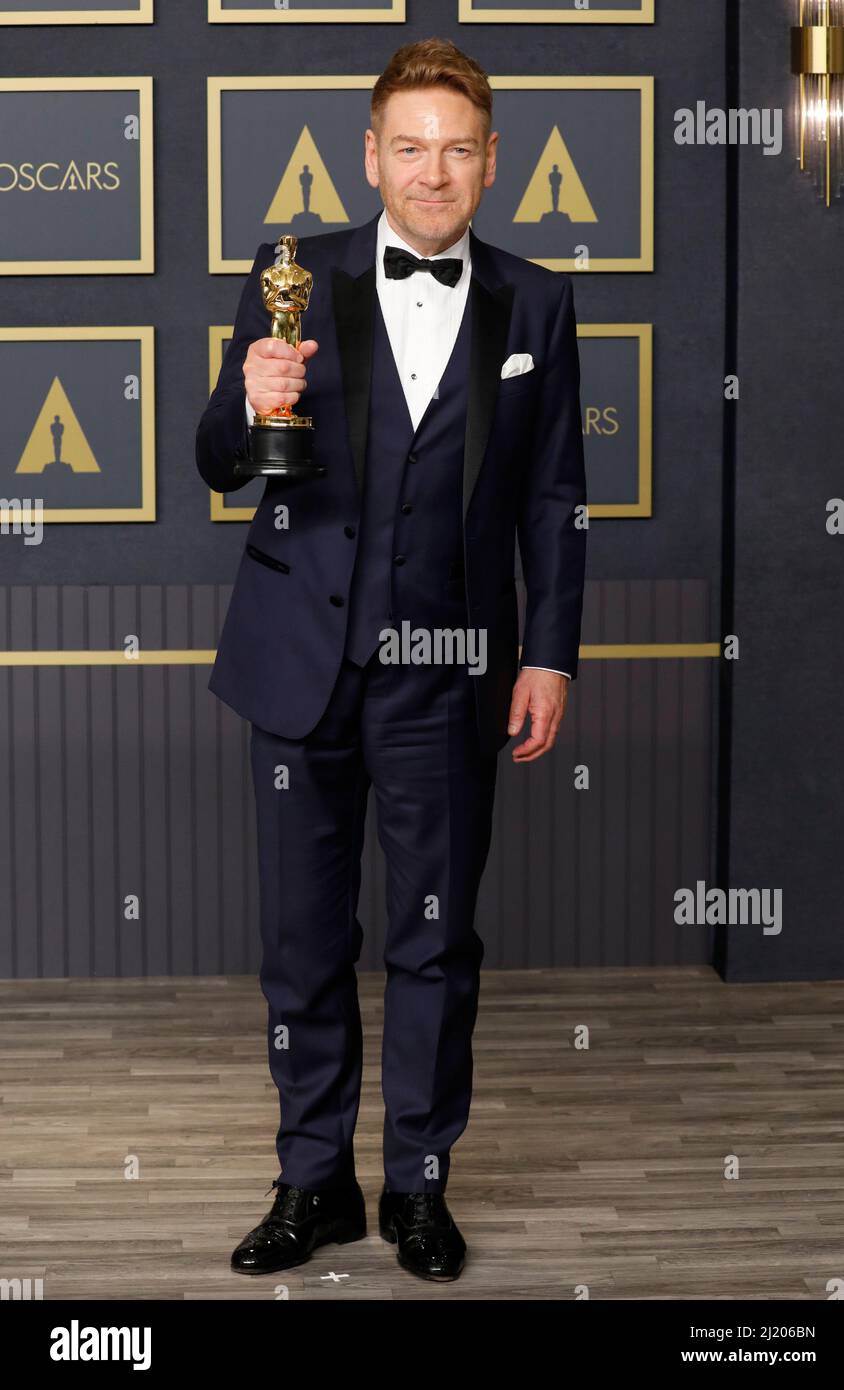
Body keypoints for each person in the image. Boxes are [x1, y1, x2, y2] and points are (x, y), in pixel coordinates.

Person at [196, 36, 587, 1284]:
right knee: (303, 947)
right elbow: (214, 456)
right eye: (408, 148)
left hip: (450, 675)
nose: (432, 172)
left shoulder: (535, 302)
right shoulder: (286, 275)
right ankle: (312, 1182)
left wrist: (551, 656)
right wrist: (250, 399)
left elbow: (551, 497)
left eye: (456, 149)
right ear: (370, 156)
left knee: (433, 945)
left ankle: (418, 1186)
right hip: (301, 666)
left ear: (488, 162)